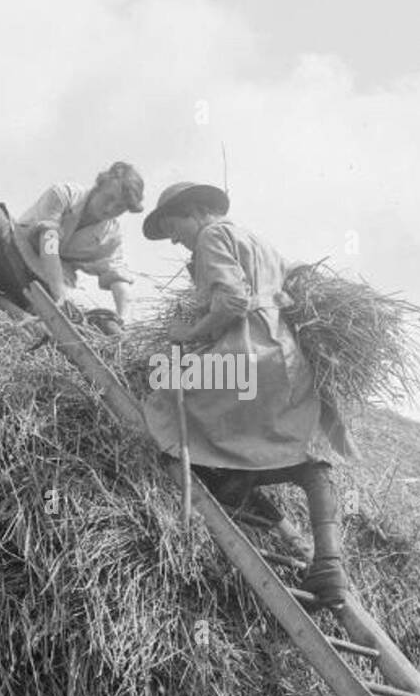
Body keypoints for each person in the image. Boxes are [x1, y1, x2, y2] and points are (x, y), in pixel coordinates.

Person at [141, 181, 353, 607]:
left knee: (161, 387)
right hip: (290, 360)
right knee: (290, 454)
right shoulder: (256, 239)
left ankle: (226, 478)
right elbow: (294, 278)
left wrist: (190, 332)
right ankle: (328, 561)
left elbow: (232, 303)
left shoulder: (210, 236)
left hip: (247, 357)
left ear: (194, 212)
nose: (177, 240)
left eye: (174, 228)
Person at [0, 162, 144, 333]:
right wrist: (58, 294)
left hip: (46, 284)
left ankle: (32, 307)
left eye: (120, 207)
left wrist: (124, 319)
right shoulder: (64, 194)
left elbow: (118, 277)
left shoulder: (111, 235)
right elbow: (49, 240)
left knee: (107, 324)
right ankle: (33, 306)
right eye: (109, 198)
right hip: (16, 256)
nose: (110, 209)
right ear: (98, 186)